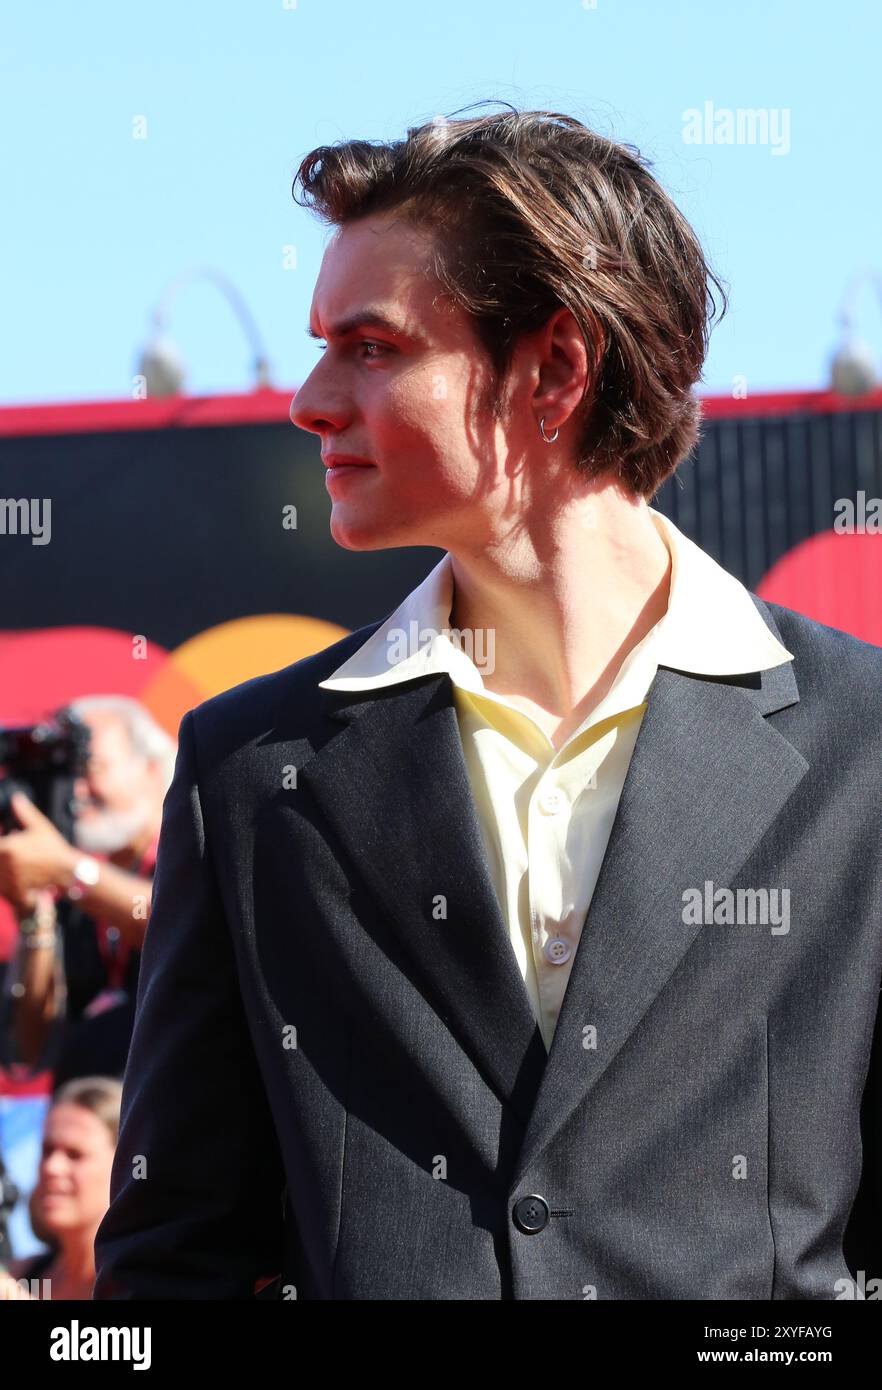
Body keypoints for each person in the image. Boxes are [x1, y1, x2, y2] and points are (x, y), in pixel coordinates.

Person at [93, 105, 882, 1300]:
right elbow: (174, 1261)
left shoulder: (861, 743)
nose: (308, 398)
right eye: (319, 344)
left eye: (371, 346)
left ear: (555, 368)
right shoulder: (249, 767)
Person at [0, 696, 174, 1083]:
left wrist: (66, 869)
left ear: (149, 769)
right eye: (64, 775)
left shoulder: (197, 852)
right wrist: (35, 915)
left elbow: (177, 925)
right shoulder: (72, 881)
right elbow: (30, 1050)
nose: (76, 791)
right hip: (88, 1126)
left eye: (89, 768)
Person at [0, 1076, 121, 1299]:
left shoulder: (137, 1282)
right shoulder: (23, 1274)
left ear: (121, 1167)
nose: (52, 1167)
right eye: (47, 1151)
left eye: (75, 1155)